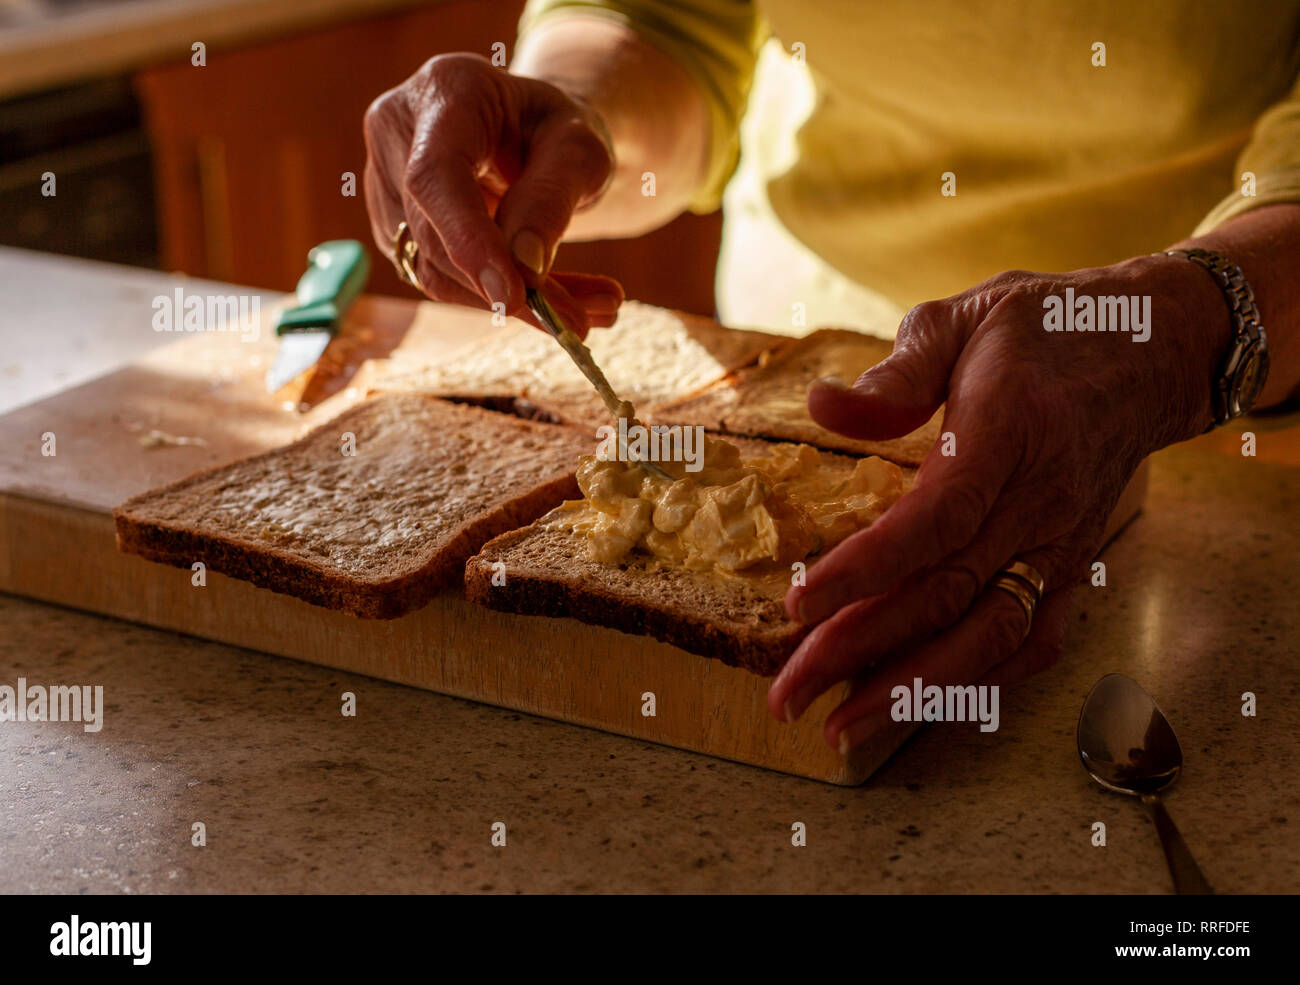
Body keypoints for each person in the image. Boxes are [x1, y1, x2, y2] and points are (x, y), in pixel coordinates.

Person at [363, 0, 1300, 753]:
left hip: (1225, 420)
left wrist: (1172, 330)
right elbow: (674, 24)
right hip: (778, 358)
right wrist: (568, 110)